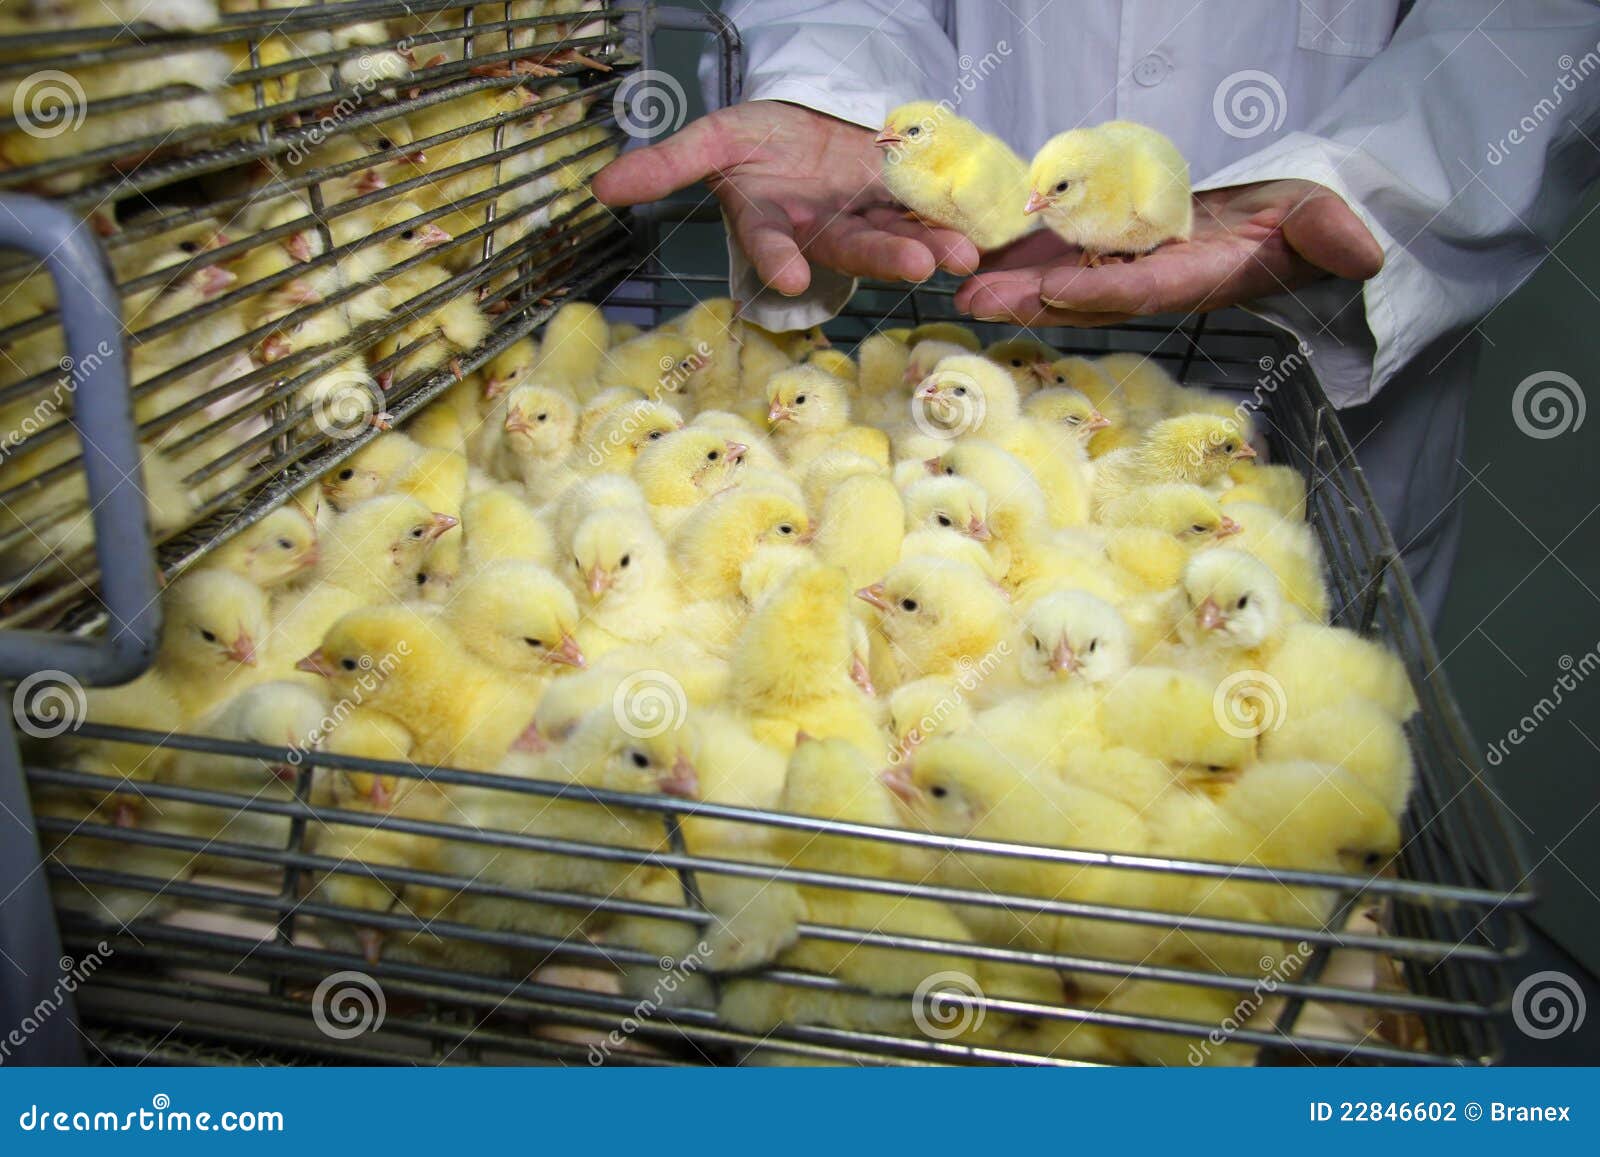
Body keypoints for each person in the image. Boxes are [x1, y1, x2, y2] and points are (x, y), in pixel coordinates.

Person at [594, 0, 1600, 622]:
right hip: (969, 318)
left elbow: (1535, 20)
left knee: (1286, 799)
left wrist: (1380, 178)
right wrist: (834, 91)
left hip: (1331, 419)